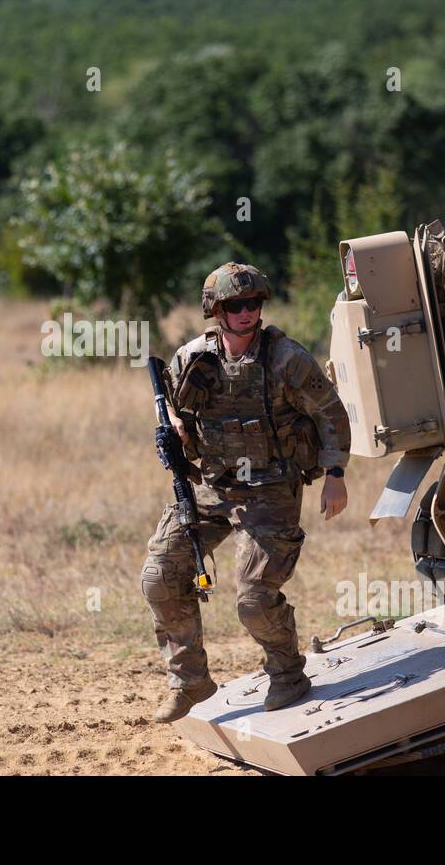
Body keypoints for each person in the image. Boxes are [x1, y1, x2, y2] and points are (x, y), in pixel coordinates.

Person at [140, 261, 351, 723]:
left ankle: (288, 673)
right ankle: (190, 681)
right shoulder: (193, 358)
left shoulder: (285, 359)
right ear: (215, 310)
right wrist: (172, 429)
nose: (246, 312)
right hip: (213, 485)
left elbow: (330, 412)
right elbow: (175, 415)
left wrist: (335, 473)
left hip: (270, 490)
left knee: (253, 599)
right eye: (235, 305)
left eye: (253, 303)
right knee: (159, 575)